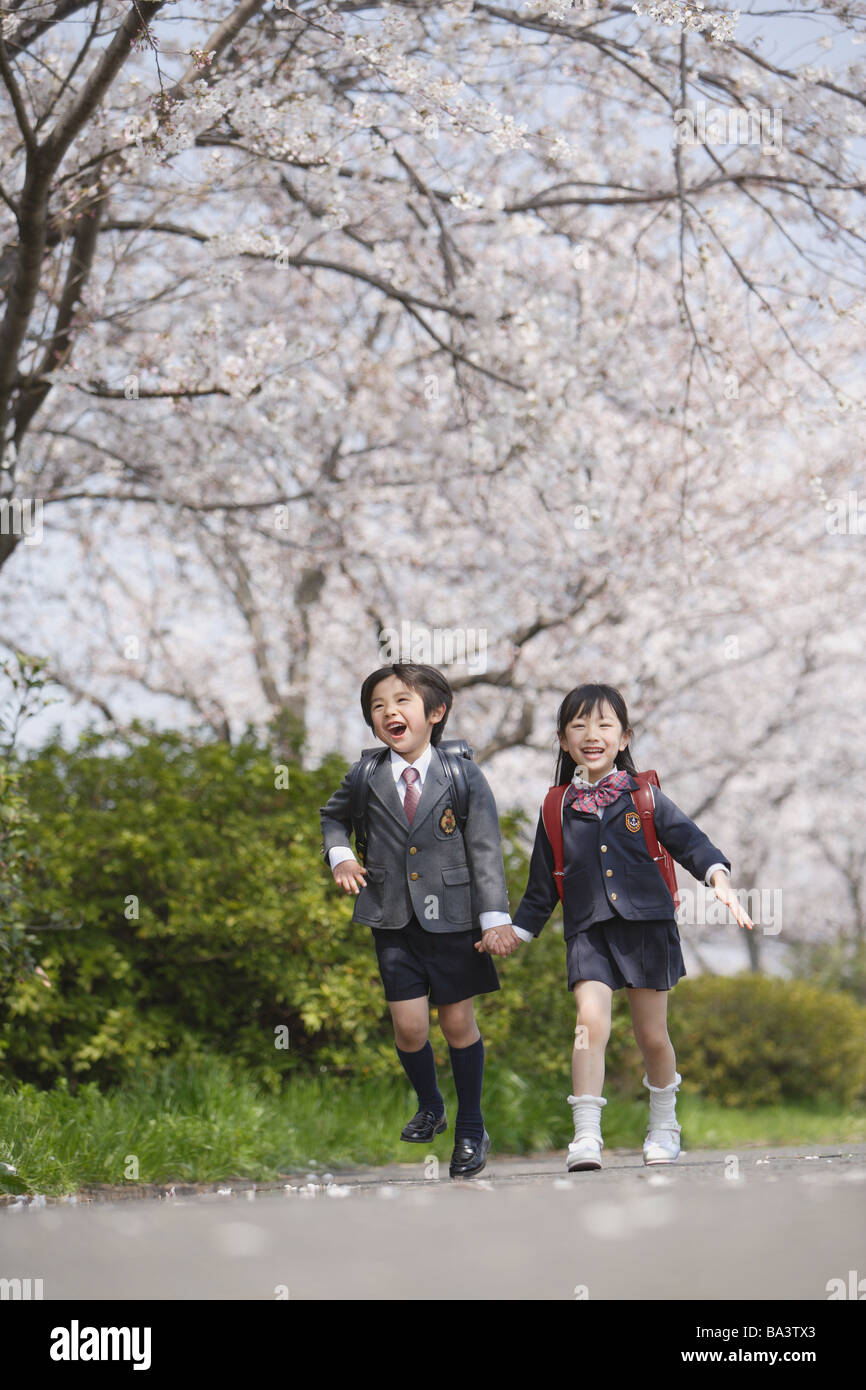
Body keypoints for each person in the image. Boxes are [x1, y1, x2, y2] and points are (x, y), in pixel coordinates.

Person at [478, 682, 753, 1172]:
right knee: (589, 1025)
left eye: (604, 724)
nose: (592, 733)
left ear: (623, 737)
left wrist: (718, 878)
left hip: (647, 928)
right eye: (579, 724)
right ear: (563, 740)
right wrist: (514, 932)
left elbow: (691, 842)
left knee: (651, 1035)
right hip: (588, 932)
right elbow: (542, 888)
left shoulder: (645, 796)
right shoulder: (556, 808)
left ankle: (664, 1125)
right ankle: (586, 1135)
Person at [319, 662, 515, 1179]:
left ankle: (472, 1126)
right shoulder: (365, 775)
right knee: (408, 1029)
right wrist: (340, 856)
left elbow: (485, 848)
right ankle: (432, 1103)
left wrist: (495, 918)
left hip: (455, 919)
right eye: (379, 706)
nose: (390, 712)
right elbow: (333, 818)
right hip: (392, 917)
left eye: (402, 701)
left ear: (435, 713)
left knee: (456, 1023)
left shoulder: (461, 774)